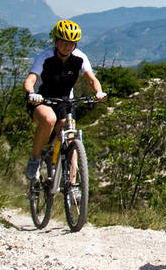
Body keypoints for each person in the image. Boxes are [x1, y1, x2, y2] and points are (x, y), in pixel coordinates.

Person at [23, 20, 106, 182]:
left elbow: (91, 79)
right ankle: (35, 159)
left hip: (65, 101)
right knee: (49, 119)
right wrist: (31, 93)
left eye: (72, 43)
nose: (68, 47)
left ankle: (73, 184)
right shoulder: (45, 57)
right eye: (64, 42)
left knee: (70, 133)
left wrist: (99, 92)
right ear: (55, 41)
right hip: (42, 99)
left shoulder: (80, 58)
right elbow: (30, 79)